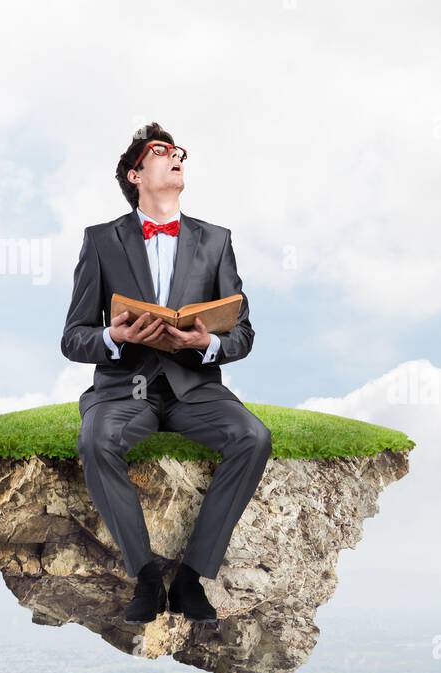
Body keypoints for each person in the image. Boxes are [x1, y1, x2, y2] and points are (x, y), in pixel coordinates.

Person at [60, 121, 271, 625]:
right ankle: (147, 577)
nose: (176, 156)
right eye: (161, 150)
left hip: (195, 388)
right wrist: (116, 337)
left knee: (253, 437)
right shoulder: (100, 240)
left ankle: (194, 577)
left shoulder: (216, 241)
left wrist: (207, 343)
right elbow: (73, 337)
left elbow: (243, 334)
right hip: (123, 391)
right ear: (135, 174)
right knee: (95, 441)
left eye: (179, 151)